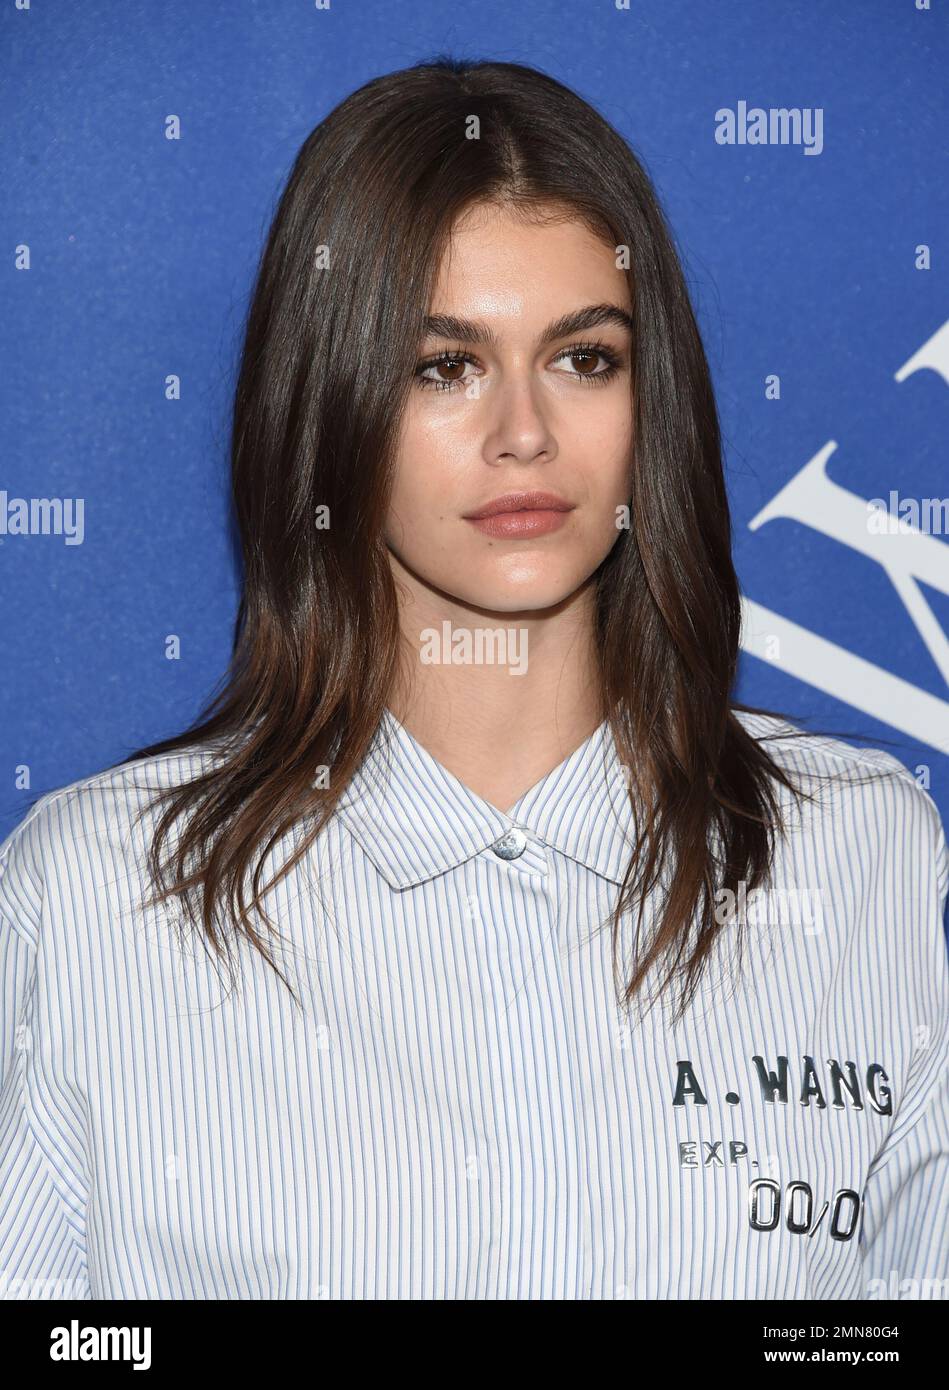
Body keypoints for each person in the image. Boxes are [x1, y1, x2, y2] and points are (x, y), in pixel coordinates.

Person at [1, 56, 946, 1301]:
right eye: (442, 364)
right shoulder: (96, 898)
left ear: (649, 401)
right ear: (328, 403)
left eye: (584, 358)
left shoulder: (859, 852)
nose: (524, 433)